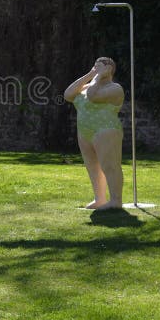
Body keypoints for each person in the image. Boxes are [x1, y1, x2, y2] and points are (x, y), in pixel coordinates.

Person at [64, 57, 125, 210]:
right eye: (95, 67)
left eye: (101, 67)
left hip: (106, 130)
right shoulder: (85, 87)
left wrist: (97, 77)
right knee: (92, 166)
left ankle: (116, 200)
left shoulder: (115, 88)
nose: (97, 70)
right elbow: (68, 94)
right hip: (84, 132)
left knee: (110, 165)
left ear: (109, 69)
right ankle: (99, 199)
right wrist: (90, 75)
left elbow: (93, 96)